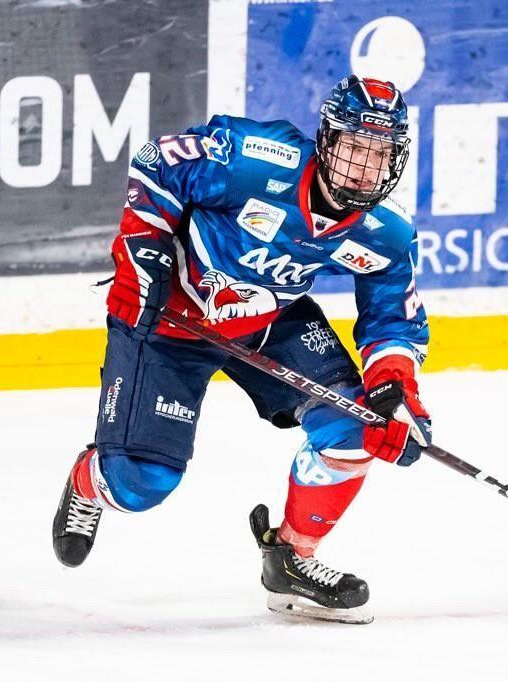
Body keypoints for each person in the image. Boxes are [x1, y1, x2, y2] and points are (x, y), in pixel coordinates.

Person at [51, 75, 430, 624]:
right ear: (326, 140)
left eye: (380, 154)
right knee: (139, 483)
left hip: (270, 320)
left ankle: (291, 560)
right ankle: (90, 480)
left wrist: (394, 391)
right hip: (172, 319)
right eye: (353, 147)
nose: (364, 167)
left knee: (358, 425)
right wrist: (145, 248)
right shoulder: (255, 159)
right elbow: (158, 162)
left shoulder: (385, 235)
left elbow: (392, 323)